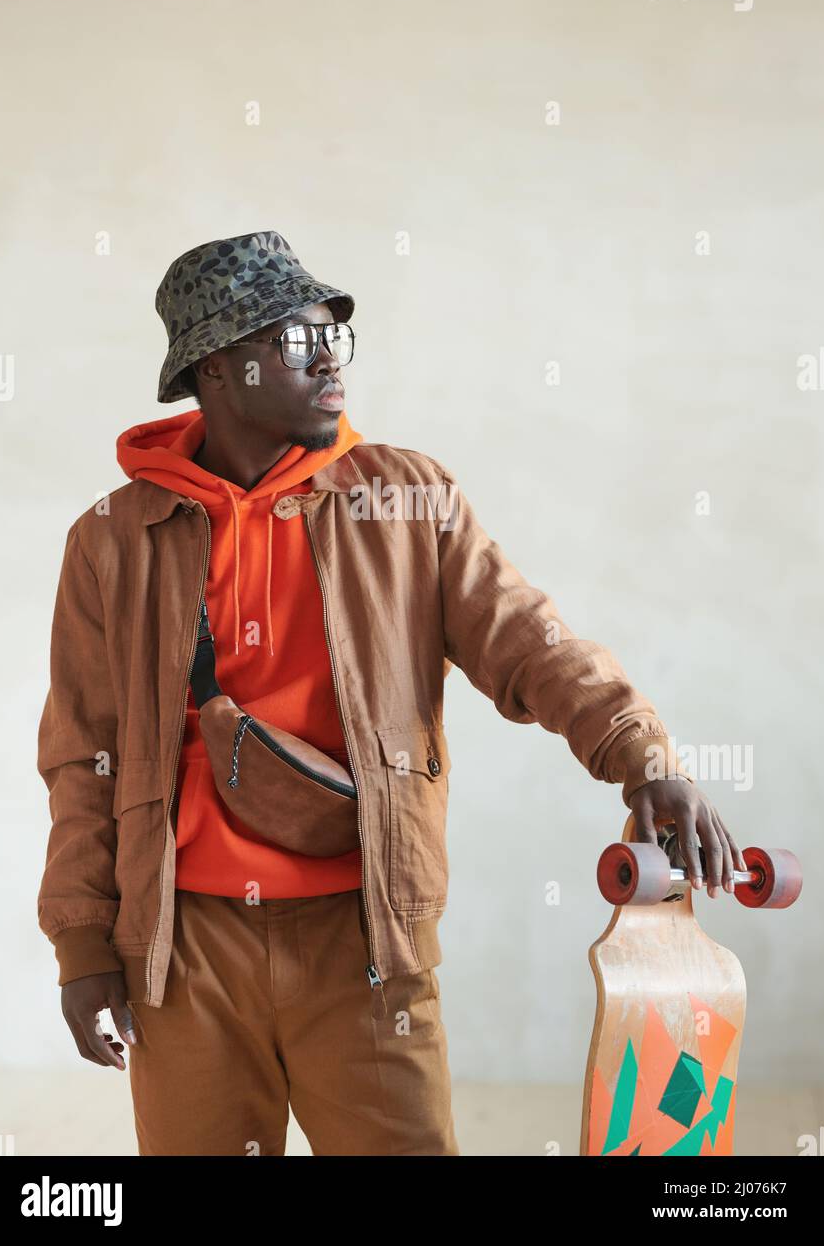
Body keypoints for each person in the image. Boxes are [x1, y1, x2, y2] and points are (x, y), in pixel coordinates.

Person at [36, 230, 744, 1156]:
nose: (329, 356)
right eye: (294, 340)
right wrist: (84, 948)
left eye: (335, 333)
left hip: (368, 939)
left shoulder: (407, 501)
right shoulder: (112, 539)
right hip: (182, 951)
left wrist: (645, 760)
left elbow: (532, 644)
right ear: (215, 369)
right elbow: (80, 759)